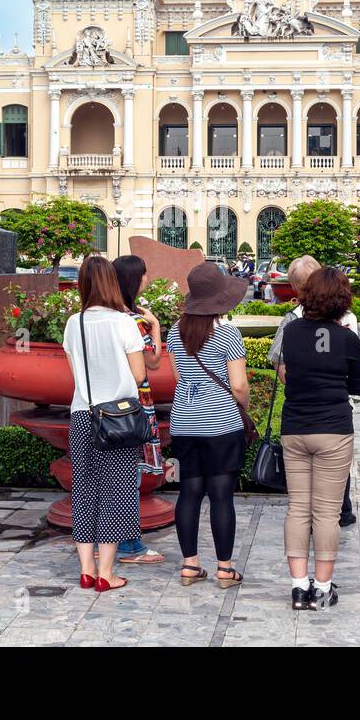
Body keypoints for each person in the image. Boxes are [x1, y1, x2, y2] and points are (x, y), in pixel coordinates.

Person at [279, 267, 360, 610]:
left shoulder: (291, 333)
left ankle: (299, 587)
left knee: (298, 509)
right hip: (333, 428)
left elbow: (289, 374)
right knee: (328, 514)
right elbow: (359, 385)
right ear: (341, 299)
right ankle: (323, 587)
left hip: (296, 428)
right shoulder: (346, 338)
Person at [61, 255, 147, 593]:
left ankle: (86, 569)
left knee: (84, 489)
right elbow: (140, 375)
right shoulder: (124, 323)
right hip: (118, 419)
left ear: (82, 284)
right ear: (112, 283)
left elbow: (76, 375)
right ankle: (106, 573)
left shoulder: (73, 323)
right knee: (116, 492)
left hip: (82, 414)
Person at [269, 255, 360, 527]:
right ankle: (341, 510)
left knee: (300, 500)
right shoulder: (347, 319)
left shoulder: (291, 323)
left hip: (300, 414)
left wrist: (298, 380)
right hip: (337, 410)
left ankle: (320, 519)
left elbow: (278, 361)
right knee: (336, 465)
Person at [166, 262, 250, 590]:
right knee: (220, 496)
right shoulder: (228, 334)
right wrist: (240, 407)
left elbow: (177, 377)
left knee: (189, 492)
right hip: (221, 425)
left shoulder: (175, 331)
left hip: (184, 423)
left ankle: (189, 565)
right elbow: (239, 385)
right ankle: (225, 570)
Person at [110, 254, 168, 565]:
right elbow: (154, 362)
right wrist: (156, 325)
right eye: (143, 275)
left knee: (106, 475)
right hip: (134, 405)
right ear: (134, 280)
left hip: (103, 402)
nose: (147, 279)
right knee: (129, 475)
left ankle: (102, 541)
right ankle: (130, 546)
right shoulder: (135, 321)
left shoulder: (99, 316)